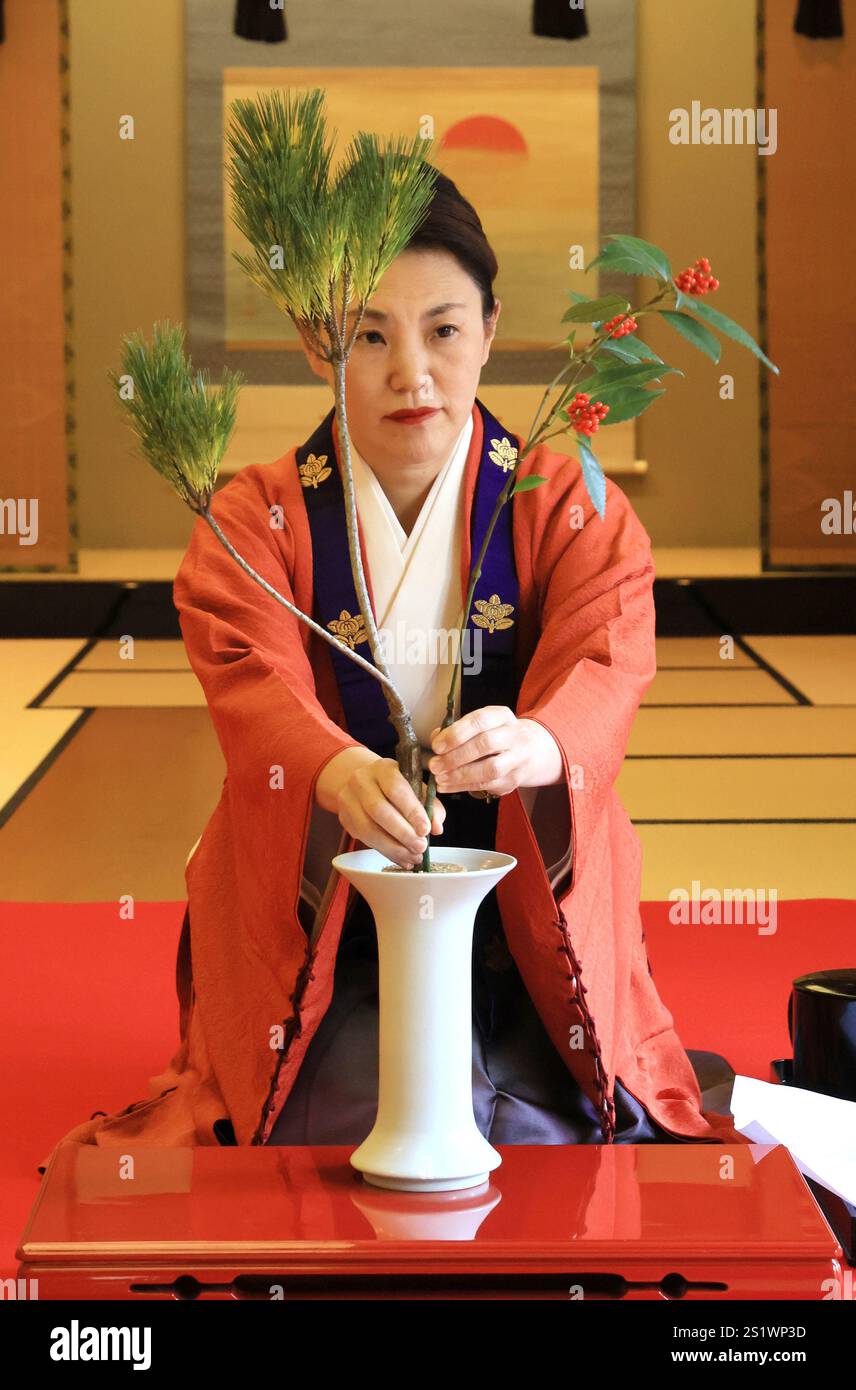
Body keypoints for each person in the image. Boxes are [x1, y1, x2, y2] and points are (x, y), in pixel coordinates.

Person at [37, 172, 748, 1176]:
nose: (410, 371)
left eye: (443, 330)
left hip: (518, 905)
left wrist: (539, 742)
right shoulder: (256, 516)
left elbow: (608, 642)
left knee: (539, 1126)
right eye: (369, 335)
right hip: (326, 898)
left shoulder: (561, 497)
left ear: (492, 330)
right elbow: (249, 679)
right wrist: (329, 767)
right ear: (319, 344)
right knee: (335, 1125)